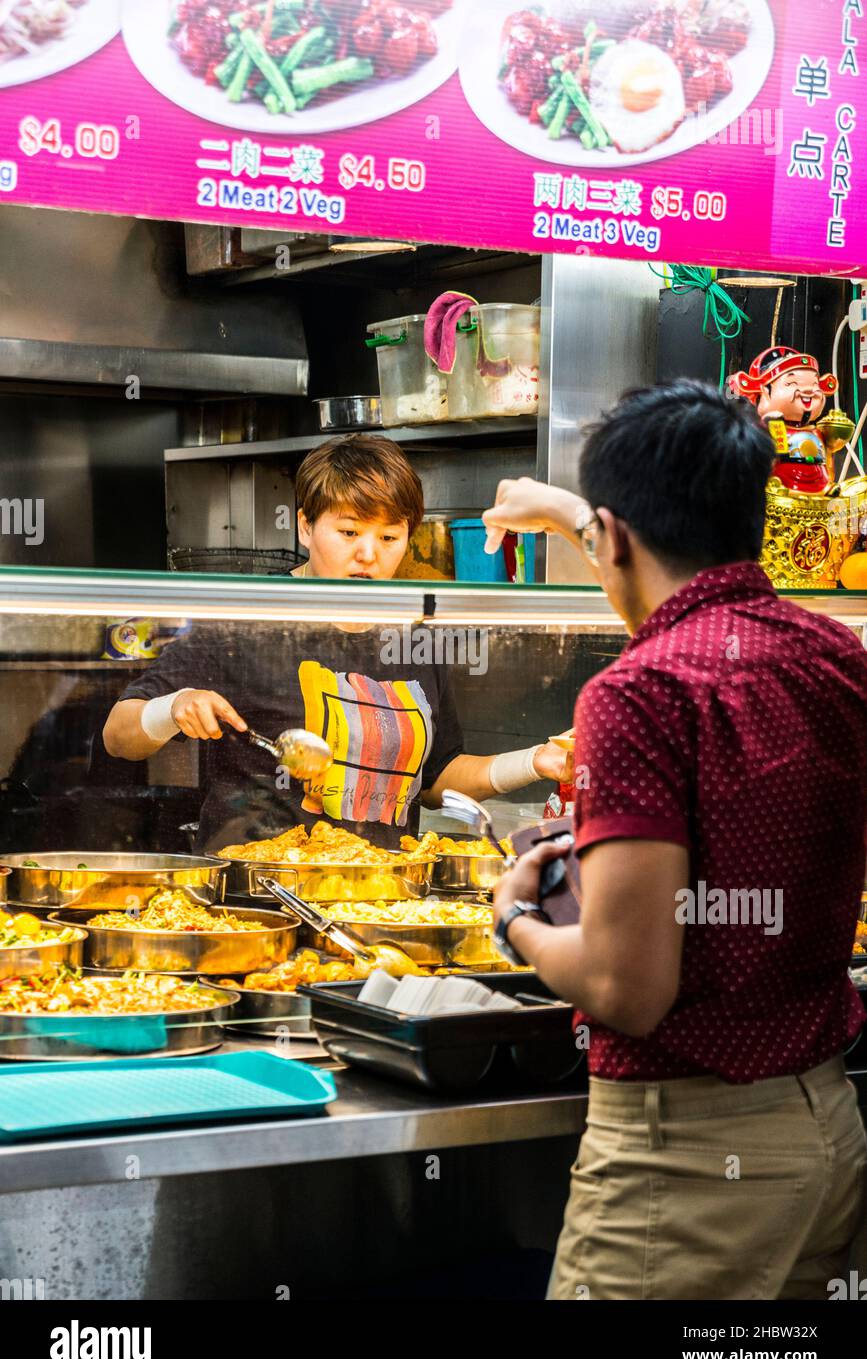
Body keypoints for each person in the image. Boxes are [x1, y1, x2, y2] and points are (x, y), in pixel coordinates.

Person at [482, 380, 867, 1301]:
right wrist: (570, 510)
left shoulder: (638, 692)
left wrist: (517, 921)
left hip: (686, 1167)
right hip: (826, 1132)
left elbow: (628, 987)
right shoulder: (838, 654)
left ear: (612, 539)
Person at [103, 434, 568, 852]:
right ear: (305, 526)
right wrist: (174, 706)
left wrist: (534, 761)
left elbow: (435, 779)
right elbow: (118, 736)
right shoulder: (248, 622)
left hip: (377, 897)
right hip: (259, 896)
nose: (368, 554)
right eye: (349, 533)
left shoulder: (415, 636)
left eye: (389, 536)